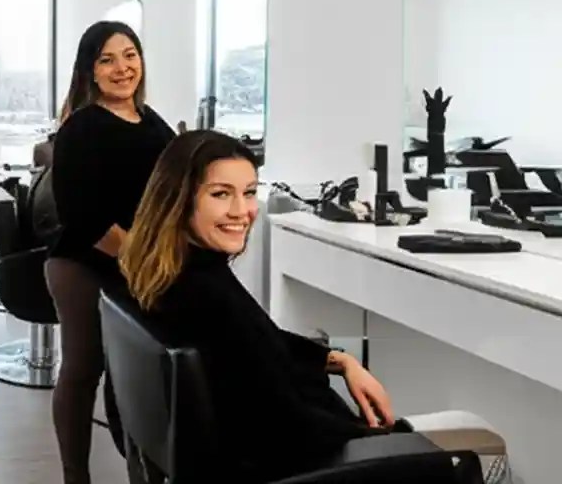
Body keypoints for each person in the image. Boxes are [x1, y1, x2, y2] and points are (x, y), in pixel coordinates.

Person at [119, 130, 510, 483]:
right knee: (480, 442)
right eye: (221, 194)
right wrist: (375, 437)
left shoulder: (170, 279)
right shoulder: (208, 296)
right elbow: (289, 428)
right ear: (179, 199)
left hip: (263, 454)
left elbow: (257, 345)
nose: (243, 211)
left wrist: (339, 360)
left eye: (250, 192)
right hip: (296, 464)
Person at [47, 20, 175, 484]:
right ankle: (75, 476)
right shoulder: (82, 127)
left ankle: (142, 471)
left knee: (136, 372)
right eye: (107, 59)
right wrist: (141, 258)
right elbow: (85, 218)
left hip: (140, 263)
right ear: (91, 72)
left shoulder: (154, 122)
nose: (122, 68)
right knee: (85, 367)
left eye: (130, 55)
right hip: (82, 261)